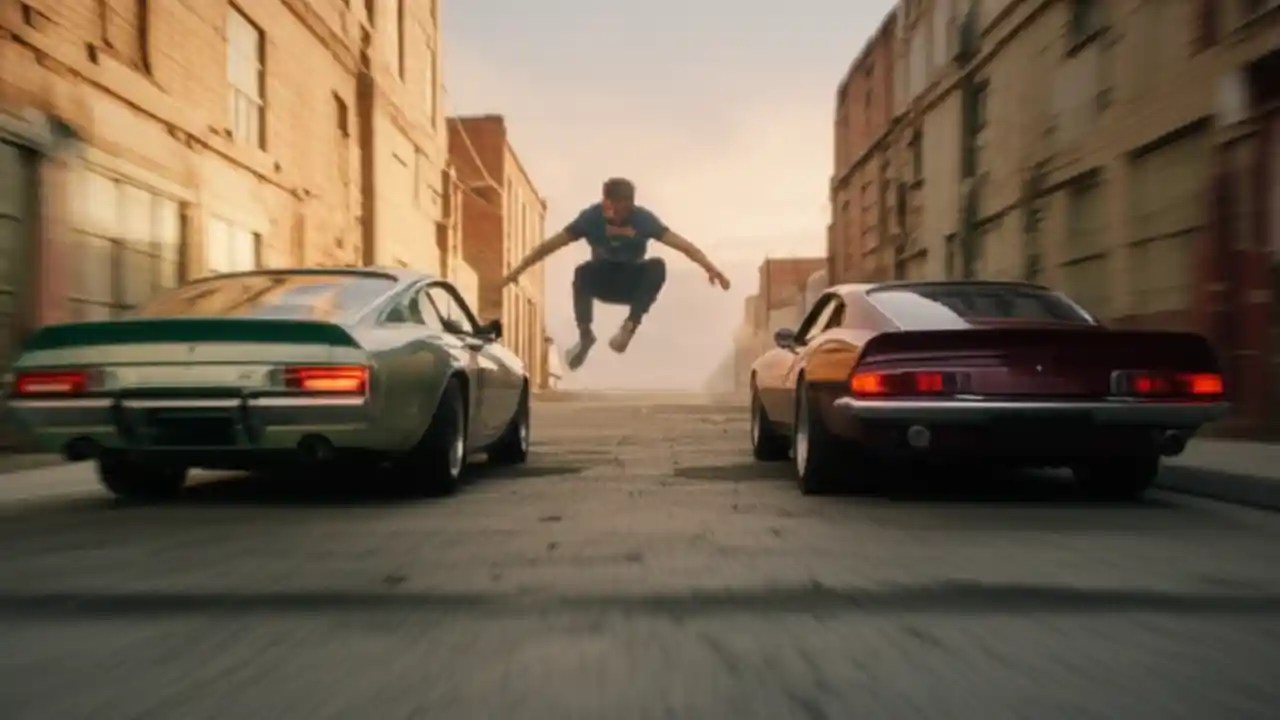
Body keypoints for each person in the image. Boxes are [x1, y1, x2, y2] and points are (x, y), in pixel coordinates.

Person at [501, 177, 731, 370]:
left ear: (631, 206)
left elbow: (683, 245)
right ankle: (585, 336)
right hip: (603, 279)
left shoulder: (643, 220)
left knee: (657, 266)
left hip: (632, 282)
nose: (618, 217)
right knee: (582, 273)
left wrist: (711, 268)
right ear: (606, 202)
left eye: (624, 211)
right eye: (613, 209)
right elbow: (551, 245)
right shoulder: (591, 218)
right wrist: (518, 270)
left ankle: (630, 326)